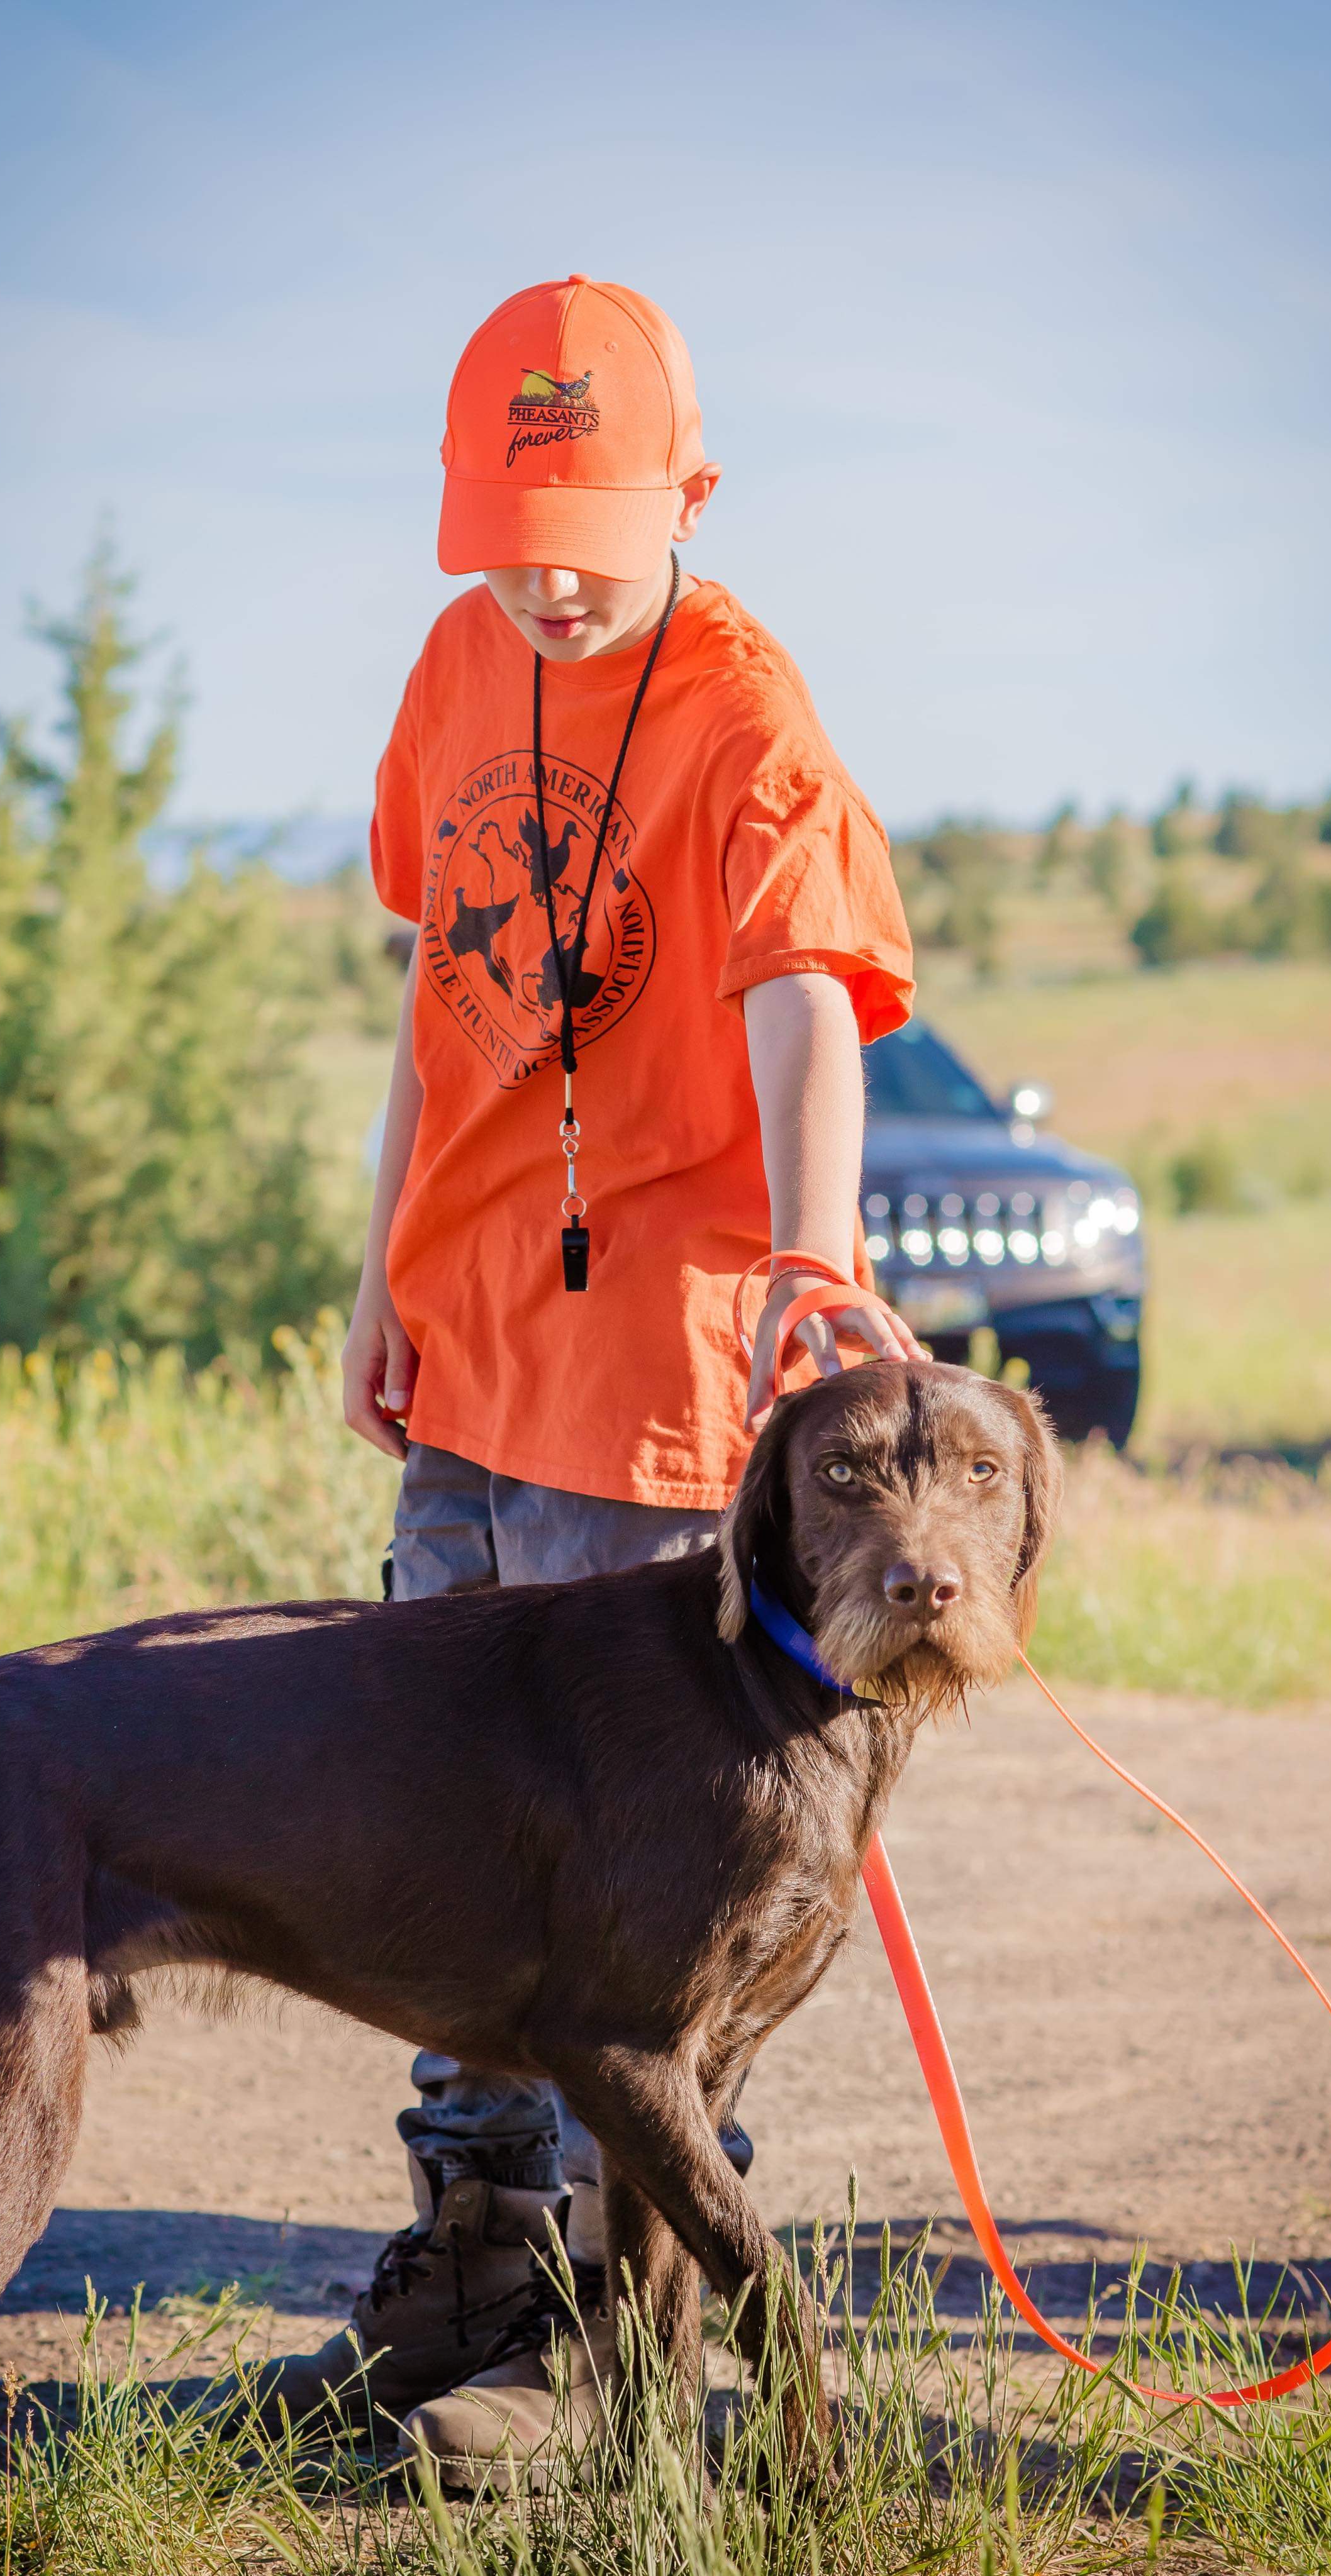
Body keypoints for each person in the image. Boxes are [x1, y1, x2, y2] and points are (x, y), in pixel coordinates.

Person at [254, 275, 918, 2484]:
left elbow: (807, 992)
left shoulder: (745, 709)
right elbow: (432, 1008)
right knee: (438, 1836)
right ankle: (474, 2280)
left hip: (648, 1383)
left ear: (690, 495)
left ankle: (629, 2361)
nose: (547, 583)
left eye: (593, 539)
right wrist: (385, 1269)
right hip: (465, 1350)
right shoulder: (457, 666)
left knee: (639, 1887)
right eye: (512, 537)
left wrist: (814, 1258)